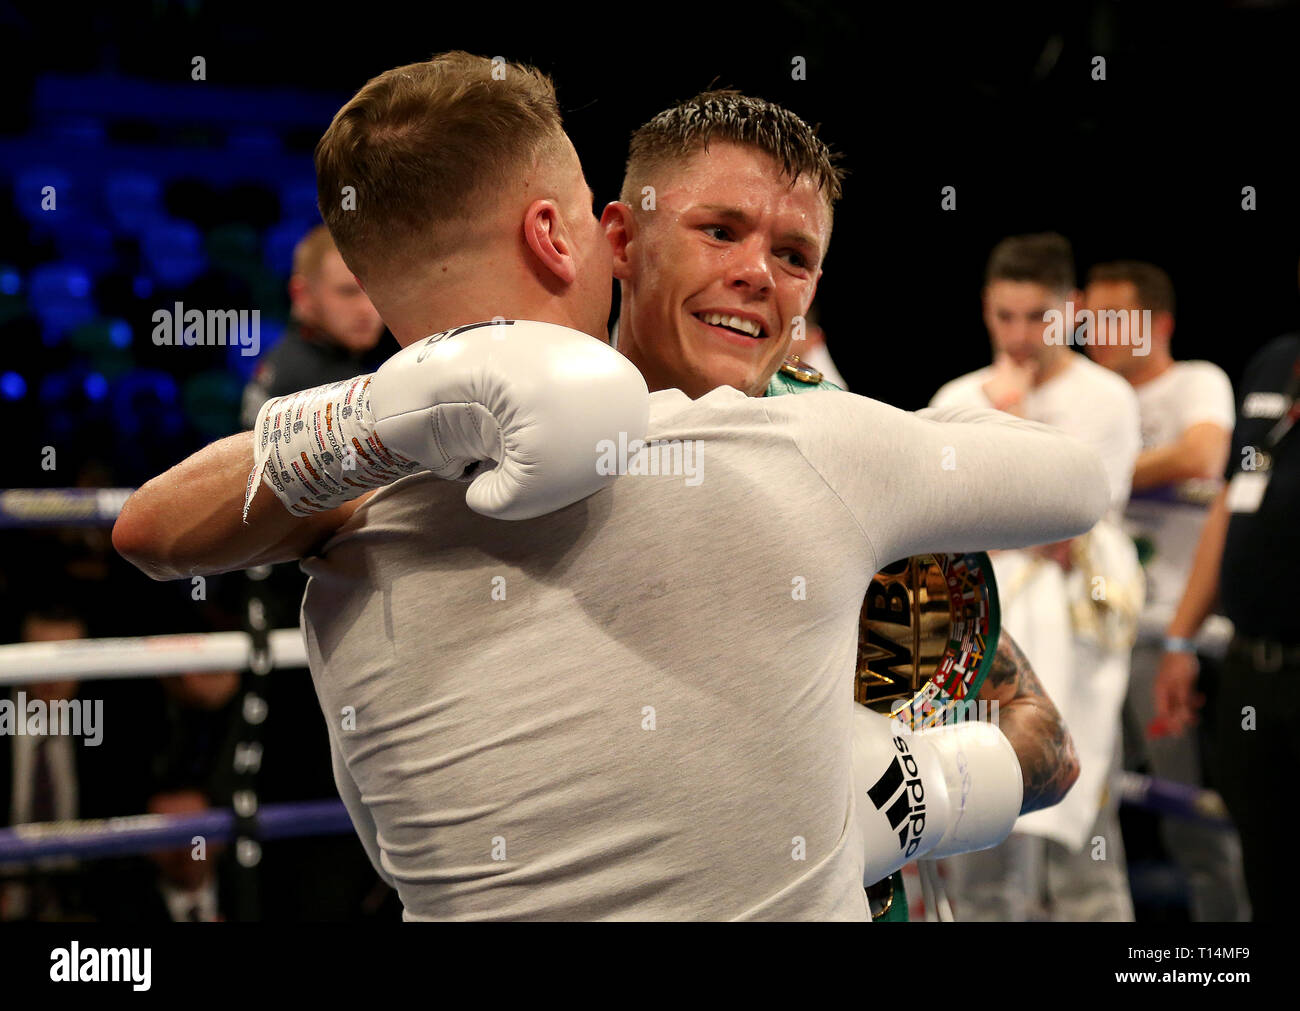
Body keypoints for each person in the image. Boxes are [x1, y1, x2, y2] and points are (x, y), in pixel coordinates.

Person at [115, 54, 1106, 919]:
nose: (759, 273)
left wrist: (915, 799)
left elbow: (1045, 742)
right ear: (611, 237)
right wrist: (398, 404)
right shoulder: (385, 471)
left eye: (795, 254)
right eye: (720, 230)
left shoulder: (843, 449)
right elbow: (152, 529)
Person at [931, 233, 1144, 921]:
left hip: (1077, 653)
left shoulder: (1107, 397)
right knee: (983, 845)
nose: (1019, 335)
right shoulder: (957, 396)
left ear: (1072, 311)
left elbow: (1064, 525)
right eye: (1003, 316)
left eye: (1035, 317)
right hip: (982, 646)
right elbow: (936, 527)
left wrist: (1010, 421)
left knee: (1087, 855)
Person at [1082, 260, 1249, 921]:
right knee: (1091, 805)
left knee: (1193, 816)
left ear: (1158, 324)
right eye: (1088, 319)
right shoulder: (1090, 396)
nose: (1095, 333)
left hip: (1176, 638)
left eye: (1111, 319)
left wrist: (1098, 474)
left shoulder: (1194, 381)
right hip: (1097, 632)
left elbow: (1203, 457)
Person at [1155, 330, 1300, 922]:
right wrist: (1181, 638)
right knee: (1264, 862)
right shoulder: (1275, 362)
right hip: (1250, 672)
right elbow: (1232, 497)